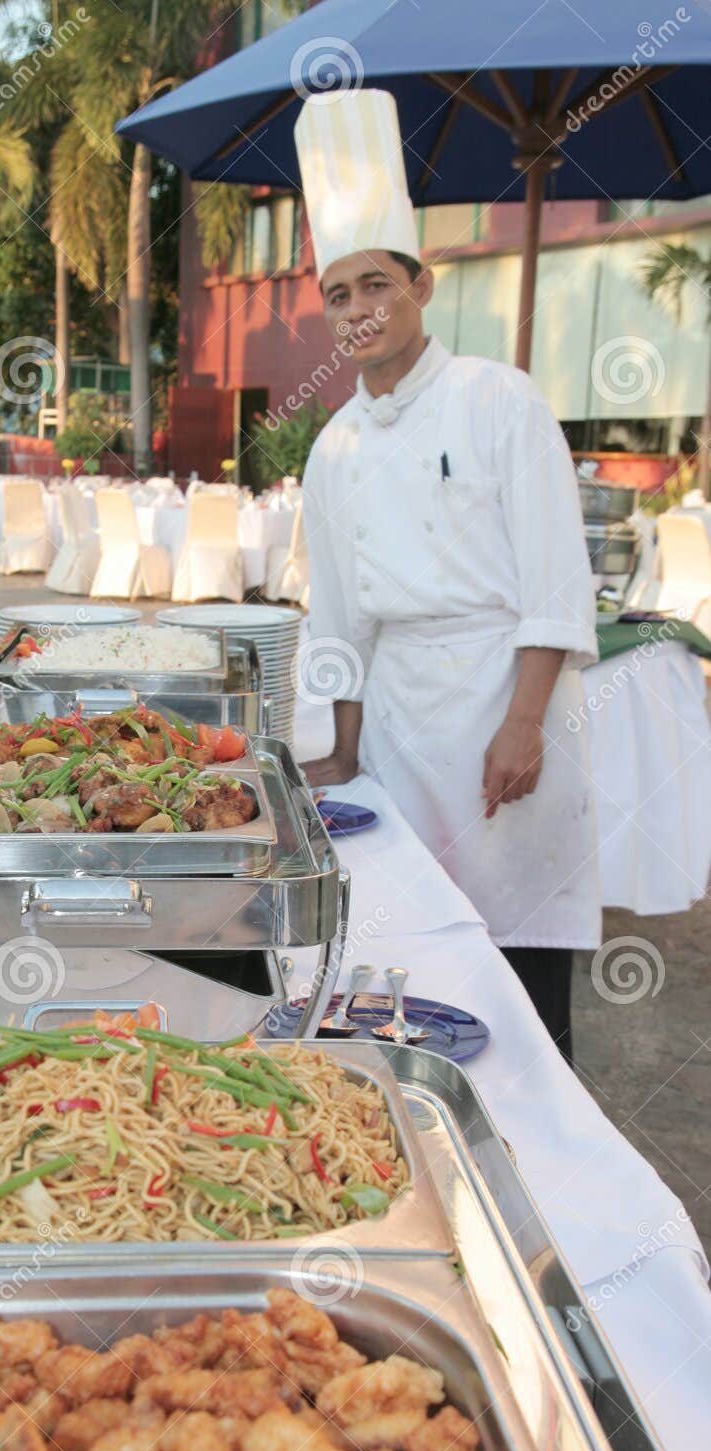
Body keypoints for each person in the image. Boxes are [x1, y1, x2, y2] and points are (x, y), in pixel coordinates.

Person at [296, 90, 600, 1060]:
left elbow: (557, 571)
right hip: (397, 730)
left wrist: (522, 724)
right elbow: (337, 616)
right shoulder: (331, 448)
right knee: (413, 958)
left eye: (375, 284)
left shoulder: (499, 401)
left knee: (518, 967)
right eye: (338, 294)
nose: (358, 310)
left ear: (420, 285)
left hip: (506, 706)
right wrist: (339, 753)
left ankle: (546, 1161)